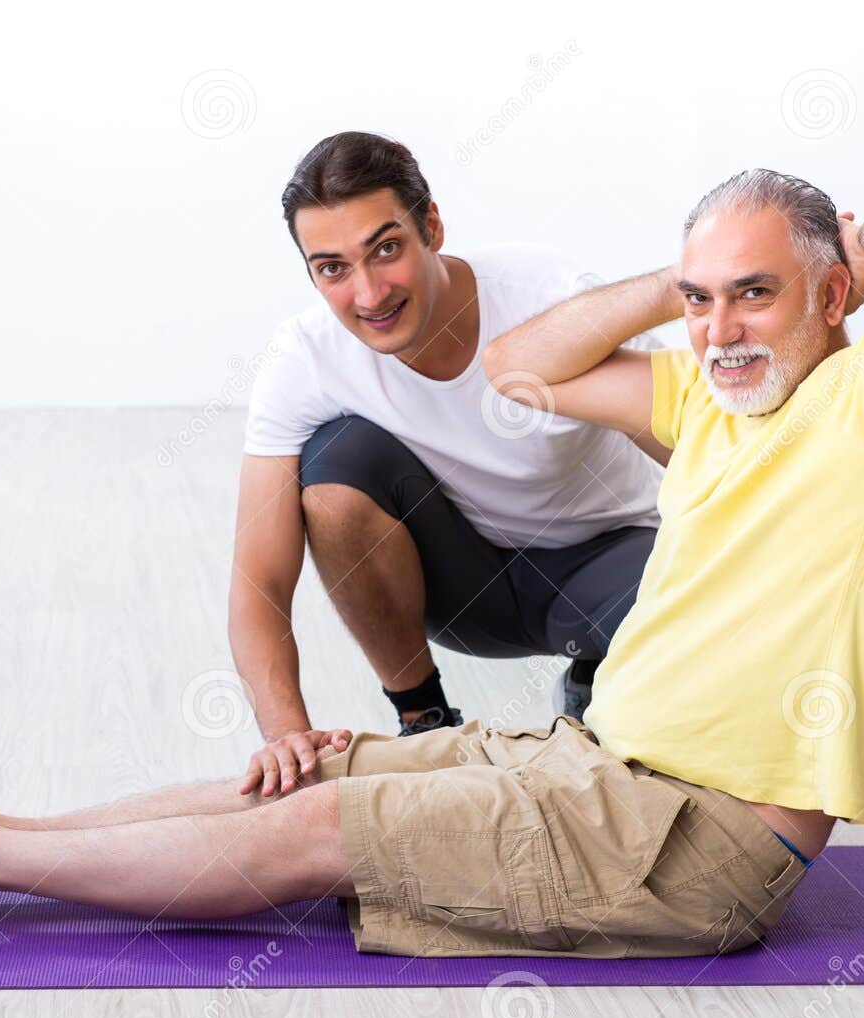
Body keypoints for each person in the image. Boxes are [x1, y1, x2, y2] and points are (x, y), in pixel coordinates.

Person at [0, 169, 864, 958]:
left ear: (835, 291)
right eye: (702, 300)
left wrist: (843, 239)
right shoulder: (700, 393)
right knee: (311, 775)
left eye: (756, 293)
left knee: (318, 838)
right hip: (596, 760)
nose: (719, 326)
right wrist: (677, 285)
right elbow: (520, 365)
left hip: (699, 843)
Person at [230, 131, 665, 801]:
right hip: (466, 588)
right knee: (335, 463)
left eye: (385, 249)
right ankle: (422, 721)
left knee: (694, 602)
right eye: (332, 268)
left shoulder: (548, 293)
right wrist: (285, 736)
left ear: (430, 225)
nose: (369, 292)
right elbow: (259, 579)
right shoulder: (304, 359)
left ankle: (602, 679)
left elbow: (704, 448)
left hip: (608, 568)